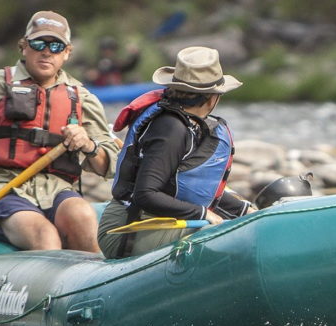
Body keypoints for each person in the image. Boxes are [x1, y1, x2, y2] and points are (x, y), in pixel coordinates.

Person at [0, 10, 119, 252]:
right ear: (24, 47)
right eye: (39, 43)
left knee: (82, 216)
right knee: (45, 235)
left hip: (57, 191)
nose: (47, 51)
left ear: (67, 53)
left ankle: (91, 285)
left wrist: (89, 145)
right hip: (2, 192)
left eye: (56, 45)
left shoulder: (82, 98)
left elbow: (109, 166)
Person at [97, 46, 254, 258]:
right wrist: (202, 213)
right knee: (224, 237)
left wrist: (244, 211)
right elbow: (146, 194)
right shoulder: (171, 129)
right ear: (211, 98)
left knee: (240, 220)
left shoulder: (192, 125)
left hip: (160, 221)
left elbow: (196, 189)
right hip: (129, 229)